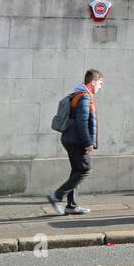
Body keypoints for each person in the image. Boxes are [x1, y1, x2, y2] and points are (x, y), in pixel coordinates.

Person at [48, 69, 103, 215]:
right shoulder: (85, 97)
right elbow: (82, 122)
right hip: (77, 141)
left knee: (76, 171)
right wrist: (88, 142)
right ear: (92, 83)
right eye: (100, 83)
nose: (100, 86)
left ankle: (71, 206)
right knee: (85, 169)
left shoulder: (78, 95)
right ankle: (57, 196)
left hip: (70, 139)